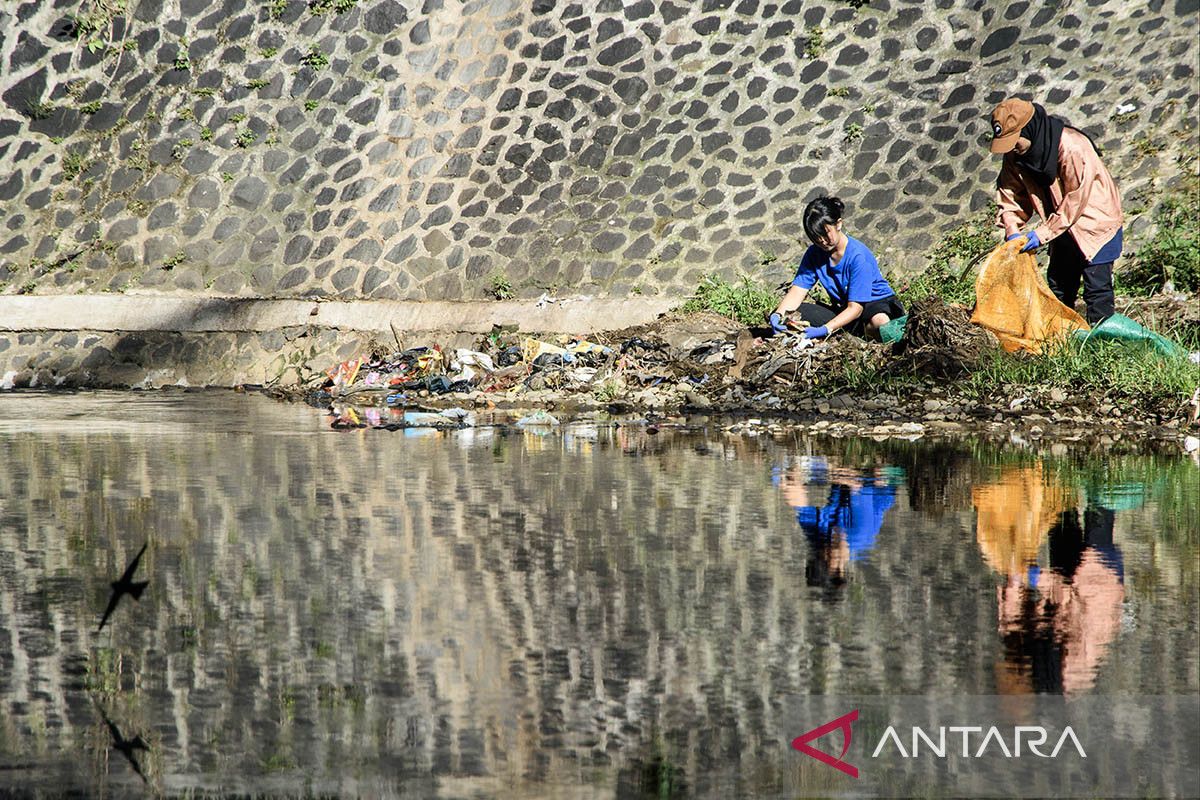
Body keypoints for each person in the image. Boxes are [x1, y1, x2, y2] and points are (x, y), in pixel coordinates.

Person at [988, 98, 1124, 325]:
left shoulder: (1072, 146)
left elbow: (1075, 198)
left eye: (1014, 141)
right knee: (1058, 290)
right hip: (1060, 228)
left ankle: (1103, 348)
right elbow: (1009, 193)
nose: (1011, 148)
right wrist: (1013, 230)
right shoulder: (1016, 156)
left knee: (1097, 291)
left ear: (1029, 129)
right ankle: (1061, 346)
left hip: (1094, 224)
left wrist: (1041, 234)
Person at [767, 196, 905, 340]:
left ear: (838, 224)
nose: (821, 240)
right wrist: (778, 315)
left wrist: (825, 329)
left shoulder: (857, 256)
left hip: (874, 305)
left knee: (880, 322)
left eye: (825, 233)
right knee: (790, 314)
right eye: (815, 236)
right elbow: (797, 292)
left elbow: (856, 308)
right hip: (844, 308)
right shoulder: (814, 253)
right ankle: (846, 331)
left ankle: (862, 335)